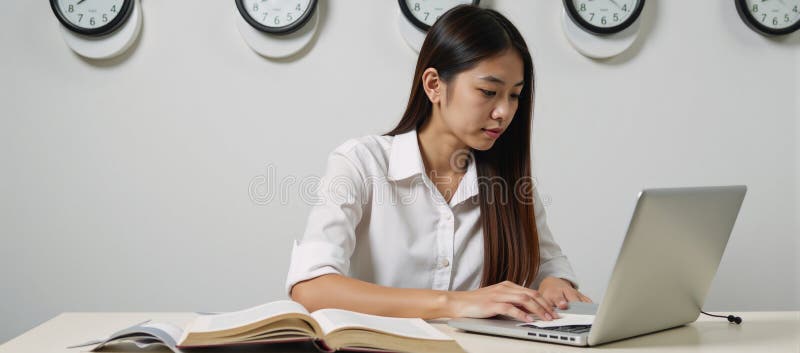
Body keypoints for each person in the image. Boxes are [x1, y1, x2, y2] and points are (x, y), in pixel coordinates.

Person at [285, 5, 592, 323]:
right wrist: (455, 303)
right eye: (488, 92)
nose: (504, 111)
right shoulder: (361, 163)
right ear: (433, 85)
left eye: (515, 95)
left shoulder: (510, 183)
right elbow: (311, 288)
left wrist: (556, 283)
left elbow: (549, 266)